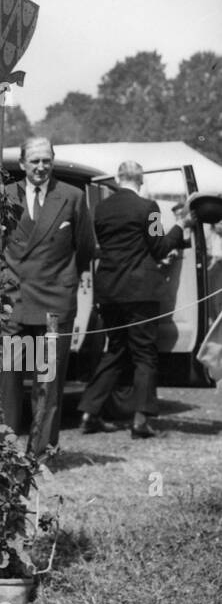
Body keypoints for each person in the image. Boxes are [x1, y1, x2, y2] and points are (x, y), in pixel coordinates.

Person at [0, 136, 95, 459]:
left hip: (55, 301)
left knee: (48, 382)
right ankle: (5, 451)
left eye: (46, 160)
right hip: (14, 302)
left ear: (52, 162)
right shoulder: (4, 196)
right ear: (23, 164)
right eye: (34, 161)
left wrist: (64, 280)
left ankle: (41, 455)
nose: (41, 167)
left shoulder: (72, 197)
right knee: (8, 380)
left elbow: (85, 249)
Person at [79, 161, 190, 439]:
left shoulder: (101, 210)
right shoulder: (148, 208)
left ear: (118, 179)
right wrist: (180, 225)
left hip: (109, 291)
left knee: (115, 350)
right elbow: (159, 247)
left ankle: (89, 413)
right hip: (140, 292)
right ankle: (140, 421)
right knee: (144, 354)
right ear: (140, 181)